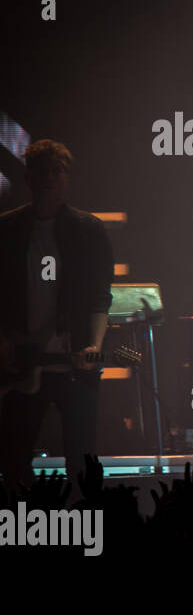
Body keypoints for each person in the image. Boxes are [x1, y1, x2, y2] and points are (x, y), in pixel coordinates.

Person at [0, 139, 114, 492]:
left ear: (66, 178)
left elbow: (99, 300)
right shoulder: (7, 230)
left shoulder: (88, 230)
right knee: (13, 457)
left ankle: (77, 529)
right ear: (28, 178)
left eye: (57, 171)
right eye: (42, 171)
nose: (49, 178)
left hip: (73, 364)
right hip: (21, 364)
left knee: (81, 458)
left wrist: (92, 346)